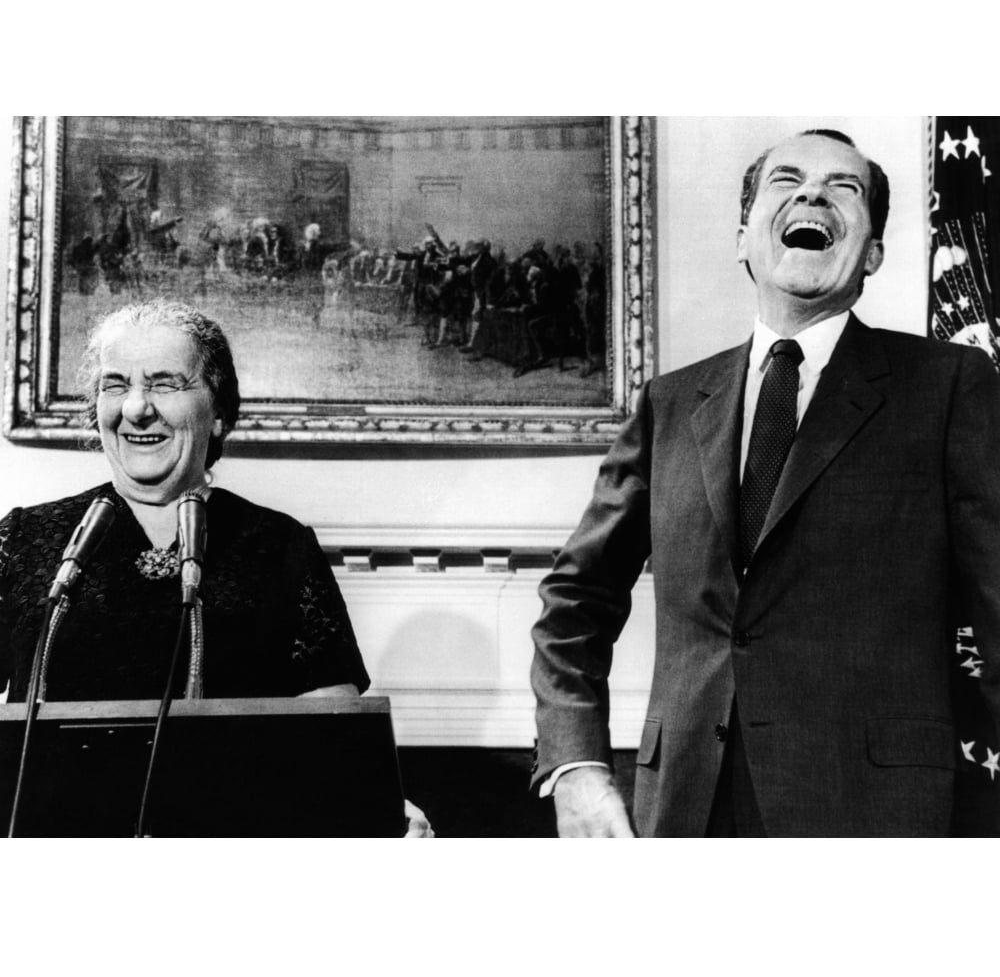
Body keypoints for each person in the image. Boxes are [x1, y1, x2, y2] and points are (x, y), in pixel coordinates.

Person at [529, 129, 1000, 837]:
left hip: (875, 818)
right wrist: (575, 766)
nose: (812, 192)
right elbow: (576, 599)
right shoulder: (672, 404)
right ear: (743, 238)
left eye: (843, 187)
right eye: (787, 180)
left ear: (871, 253)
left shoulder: (949, 387)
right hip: (686, 810)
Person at [0, 299, 432, 837]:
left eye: (165, 383)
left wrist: (376, 811)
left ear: (219, 409)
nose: (136, 407)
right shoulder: (24, 538)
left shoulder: (277, 545)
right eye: (115, 385)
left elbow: (330, 736)